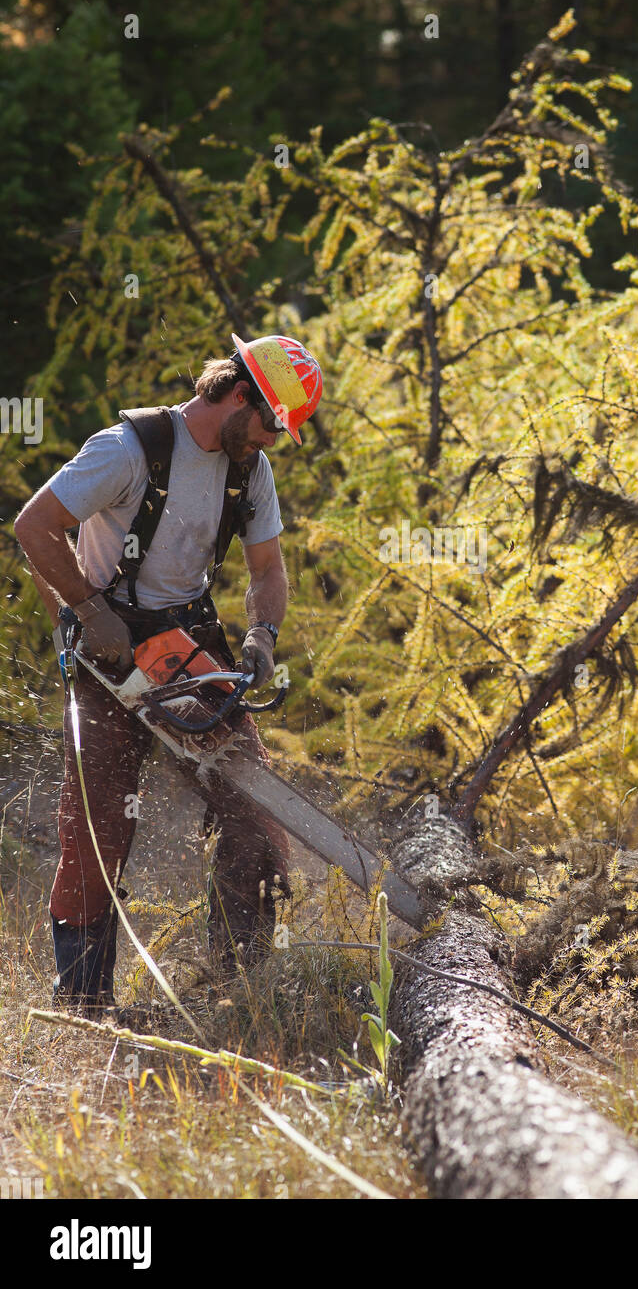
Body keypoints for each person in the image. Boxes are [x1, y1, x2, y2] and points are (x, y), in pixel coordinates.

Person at [13, 333, 323, 1013]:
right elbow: (35, 525)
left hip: (187, 641)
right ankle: (83, 1006)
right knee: (98, 832)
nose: (272, 440)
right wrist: (91, 613)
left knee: (258, 819)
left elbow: (267, 570)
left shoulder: (250, 471)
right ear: (240, 395)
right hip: (108, 654)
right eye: (273, 423)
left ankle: (238, 993)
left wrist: (262, 635)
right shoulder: (128, 449)